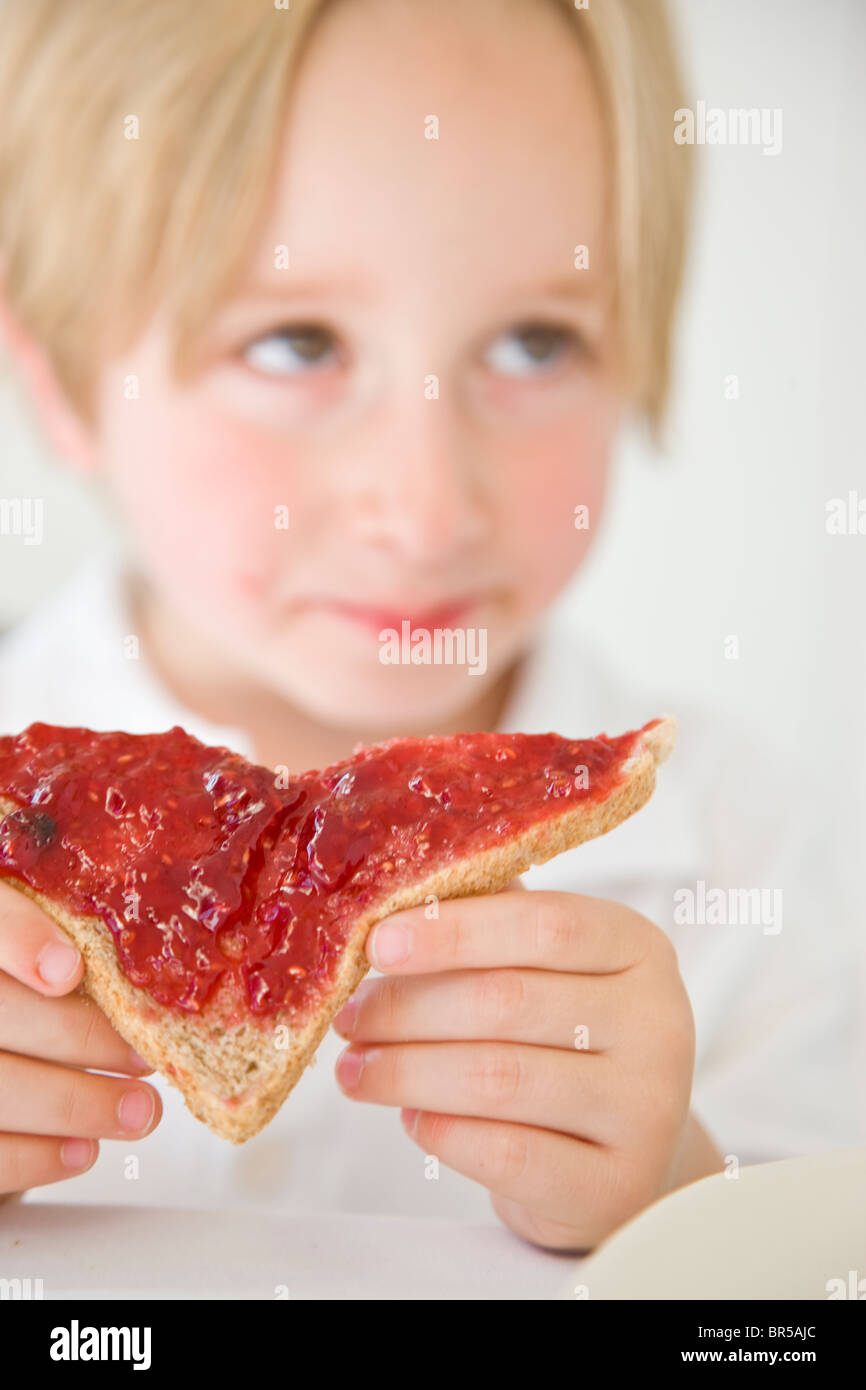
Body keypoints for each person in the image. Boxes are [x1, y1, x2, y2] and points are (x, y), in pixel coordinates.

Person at [0, 0, 860, 1253]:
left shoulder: (751, 863)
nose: (425, 503)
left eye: (532, 339)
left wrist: (684, 1194)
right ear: (65, 386)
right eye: (297, 342)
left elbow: (807, 1295)